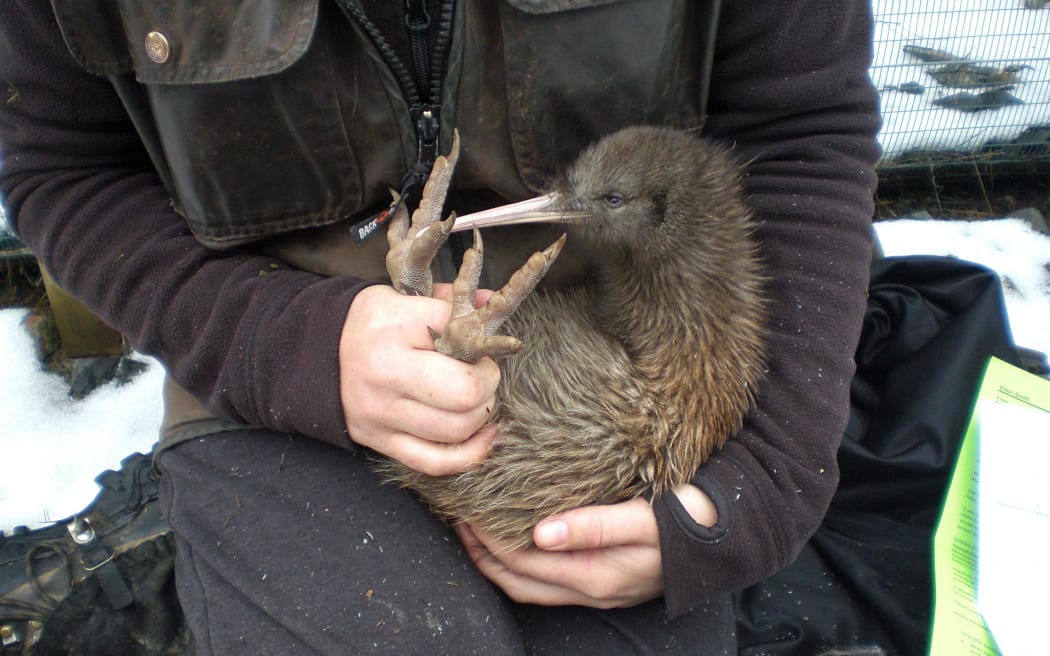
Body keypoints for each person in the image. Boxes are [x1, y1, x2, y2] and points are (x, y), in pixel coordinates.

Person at [0, 1, 881, 654]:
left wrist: (761, 491)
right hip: (270, 361)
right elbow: (64, 165)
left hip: (608, 385)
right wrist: (291, 345)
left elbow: (797, 128)